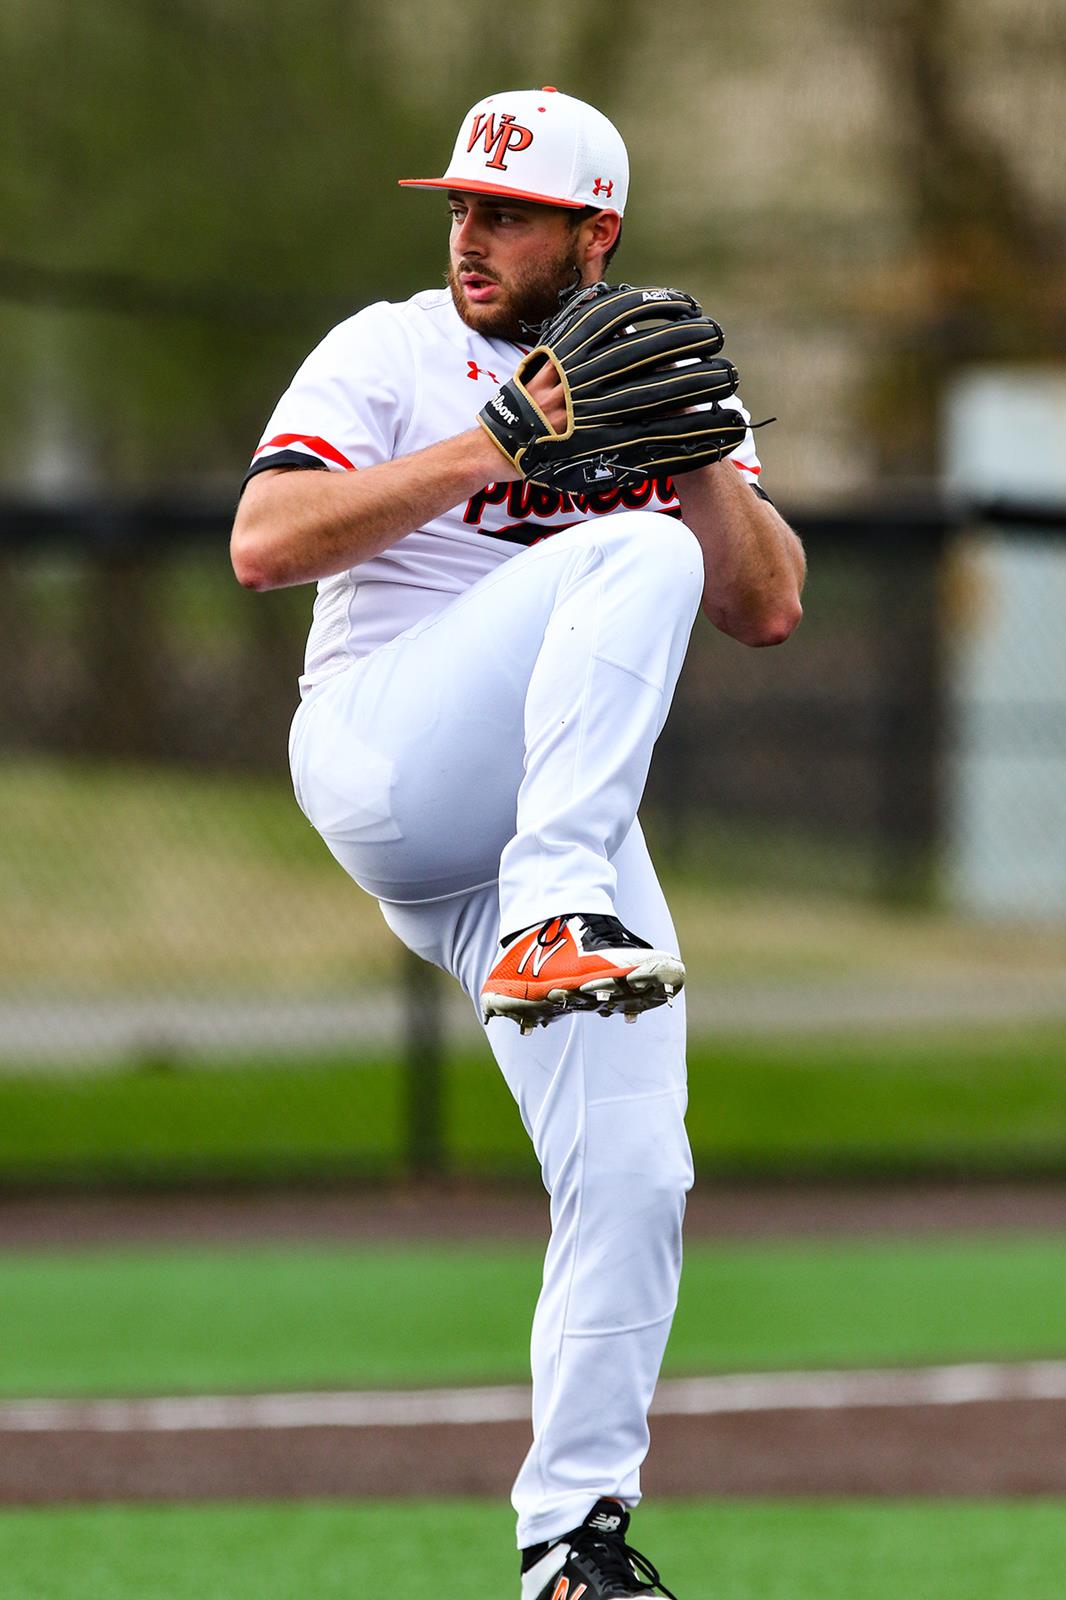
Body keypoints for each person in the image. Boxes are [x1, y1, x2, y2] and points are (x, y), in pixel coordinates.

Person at [231, 85, 804, 1600]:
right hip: (388, 752)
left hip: (546, 830)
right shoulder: (390, 347)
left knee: (633, 1167)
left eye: (508, 212)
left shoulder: (653, 359)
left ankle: (572, 1545)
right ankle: (562, 906)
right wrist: (489, 445)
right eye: (460, 206)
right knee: (620, 551)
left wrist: (693, 454)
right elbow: (264, 545)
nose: (470, 234)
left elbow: (763, 604)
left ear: (591, 235)